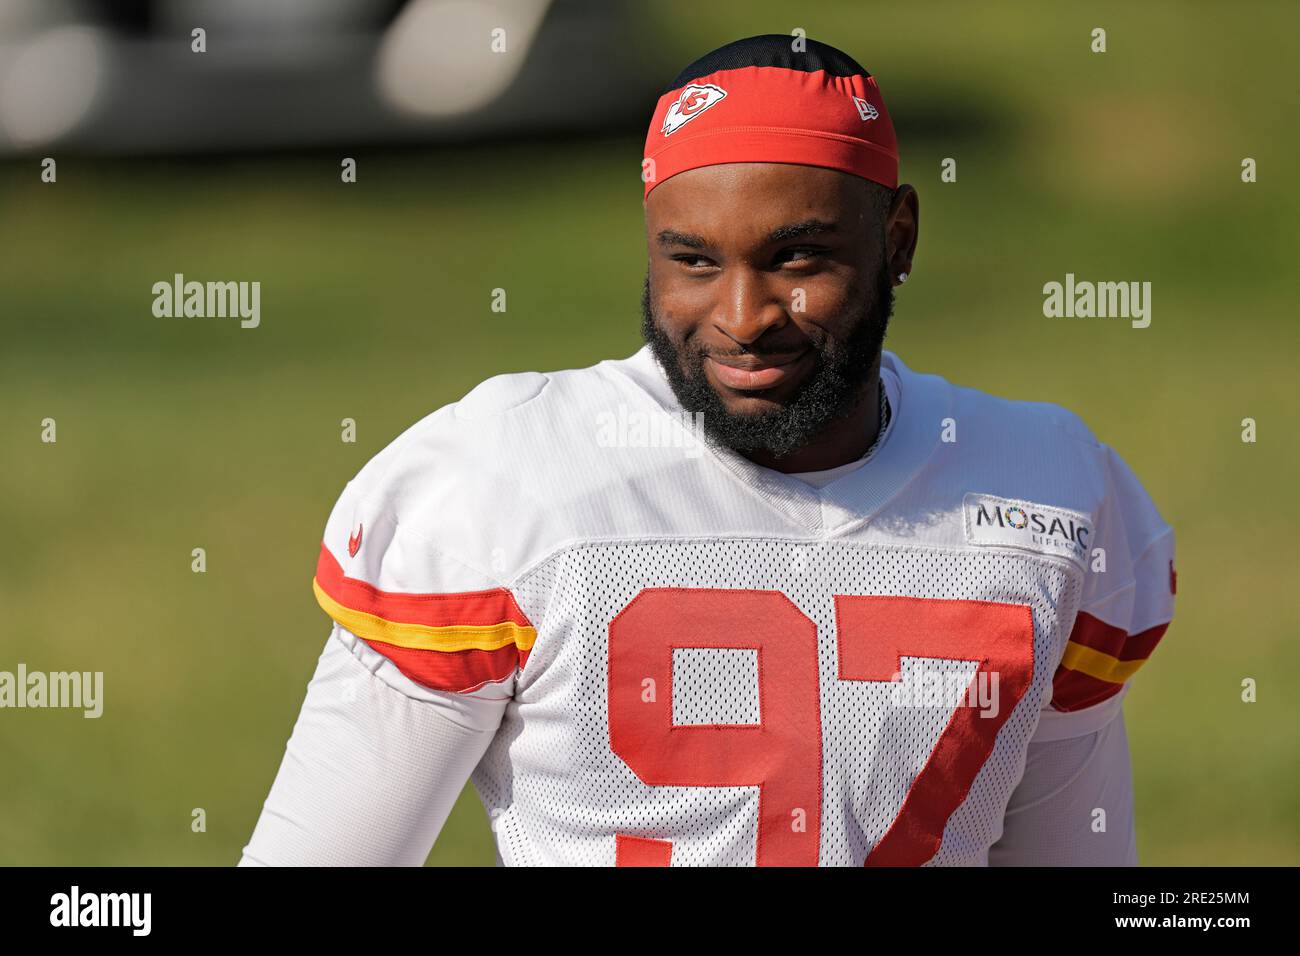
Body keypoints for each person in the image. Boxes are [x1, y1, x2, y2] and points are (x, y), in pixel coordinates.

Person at [240, 34, 1174, 866]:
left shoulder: (1048, 497)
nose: (740, 319)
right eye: (693, 261)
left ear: (898, 240)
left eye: (797, 259)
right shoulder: (500, 481)